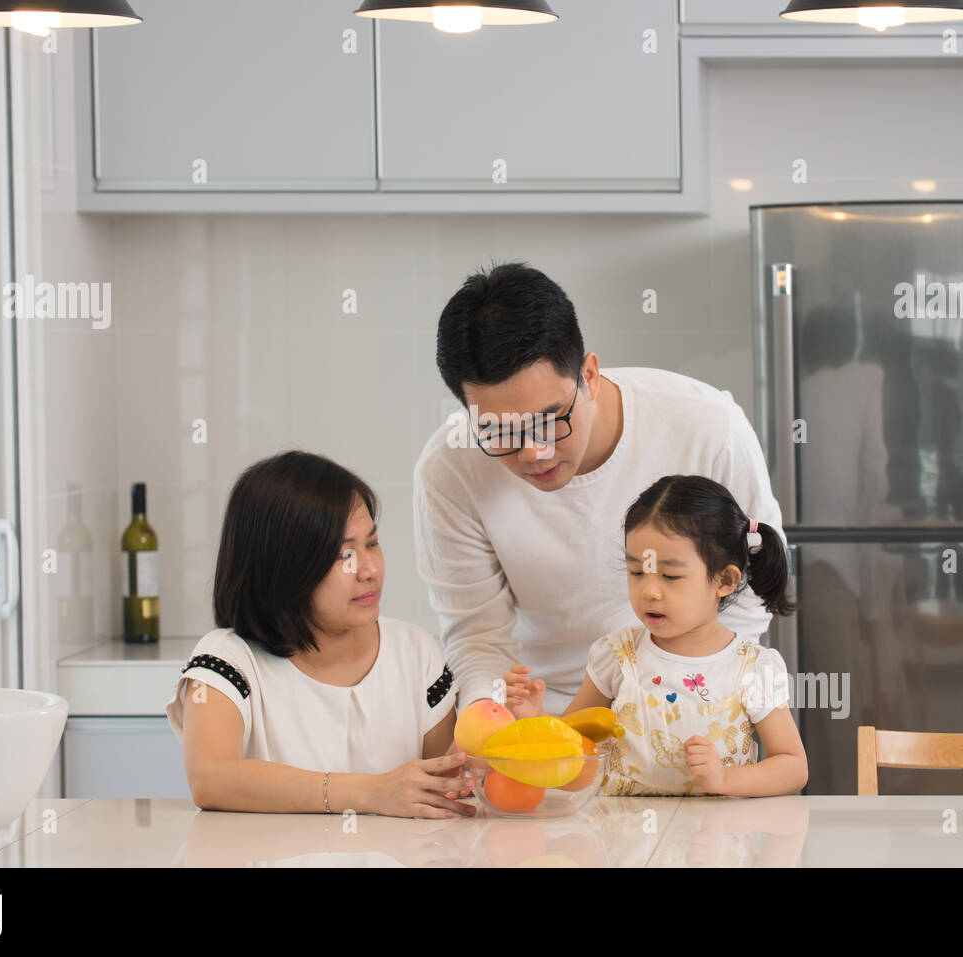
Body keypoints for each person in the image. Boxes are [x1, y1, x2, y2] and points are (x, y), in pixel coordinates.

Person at [413, 261, 787, 717]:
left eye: (550, 421)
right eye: (499, 432)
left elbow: (750, 590)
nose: (534, 452)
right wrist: (487, 715)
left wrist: (686, 700)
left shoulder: (705, 426)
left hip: (688, 709)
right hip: (542, 724)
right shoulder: (450, 469)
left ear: (588, 375)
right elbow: (477, 637)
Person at [166, 450, 476, 818]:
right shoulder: (227, 661)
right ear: (283, 566)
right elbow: (211, 778)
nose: (369, 570)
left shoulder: (415, 652)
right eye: (344, 554)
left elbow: (448, 789)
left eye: (372, 544)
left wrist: (497, 735)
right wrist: (372, 792)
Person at [505, 475, 808, 797]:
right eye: (637, 572)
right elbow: (572, 764)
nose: (649, 591)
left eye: (670, 575)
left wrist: (726, 779)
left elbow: (792, 766)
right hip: (624, 843)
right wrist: (534, 723)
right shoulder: (617, 654)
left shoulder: (751, 667)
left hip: (718, 841)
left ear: (724, 580)